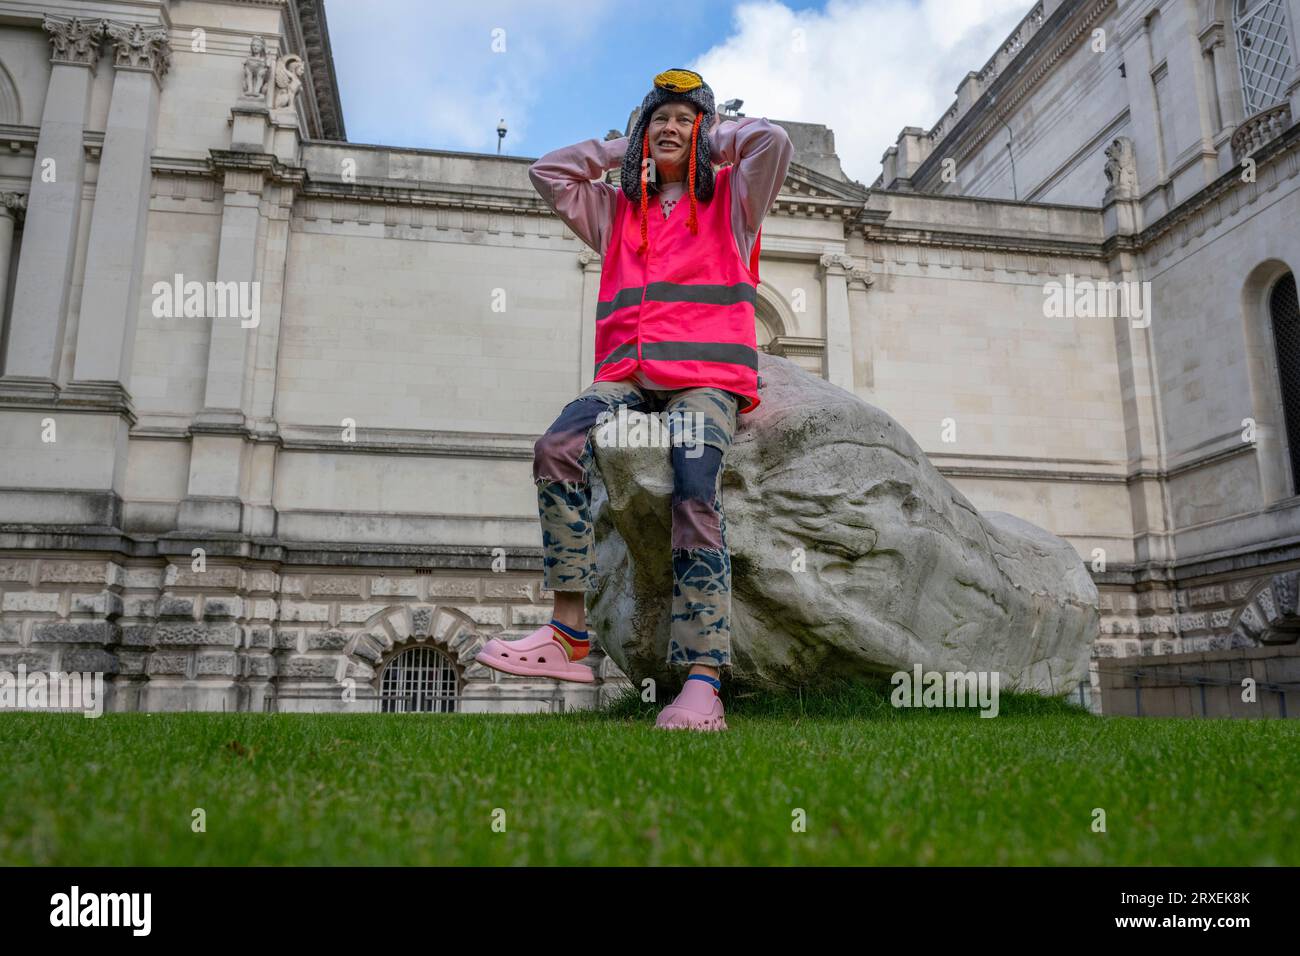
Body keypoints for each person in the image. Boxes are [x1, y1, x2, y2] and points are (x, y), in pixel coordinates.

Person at [476, 68, 793, 731]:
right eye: (659, 122)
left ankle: (703, 681)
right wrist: (623, 150)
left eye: (684, 121)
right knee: (556, 448)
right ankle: (567, 633)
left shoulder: (736, 198)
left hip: (707, 377)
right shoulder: (617, 208)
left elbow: (773, 141)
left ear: (705, 135)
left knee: (693, 490)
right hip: (626, 375)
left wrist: (707, 136)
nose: (670, 130)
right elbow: (550, 173)